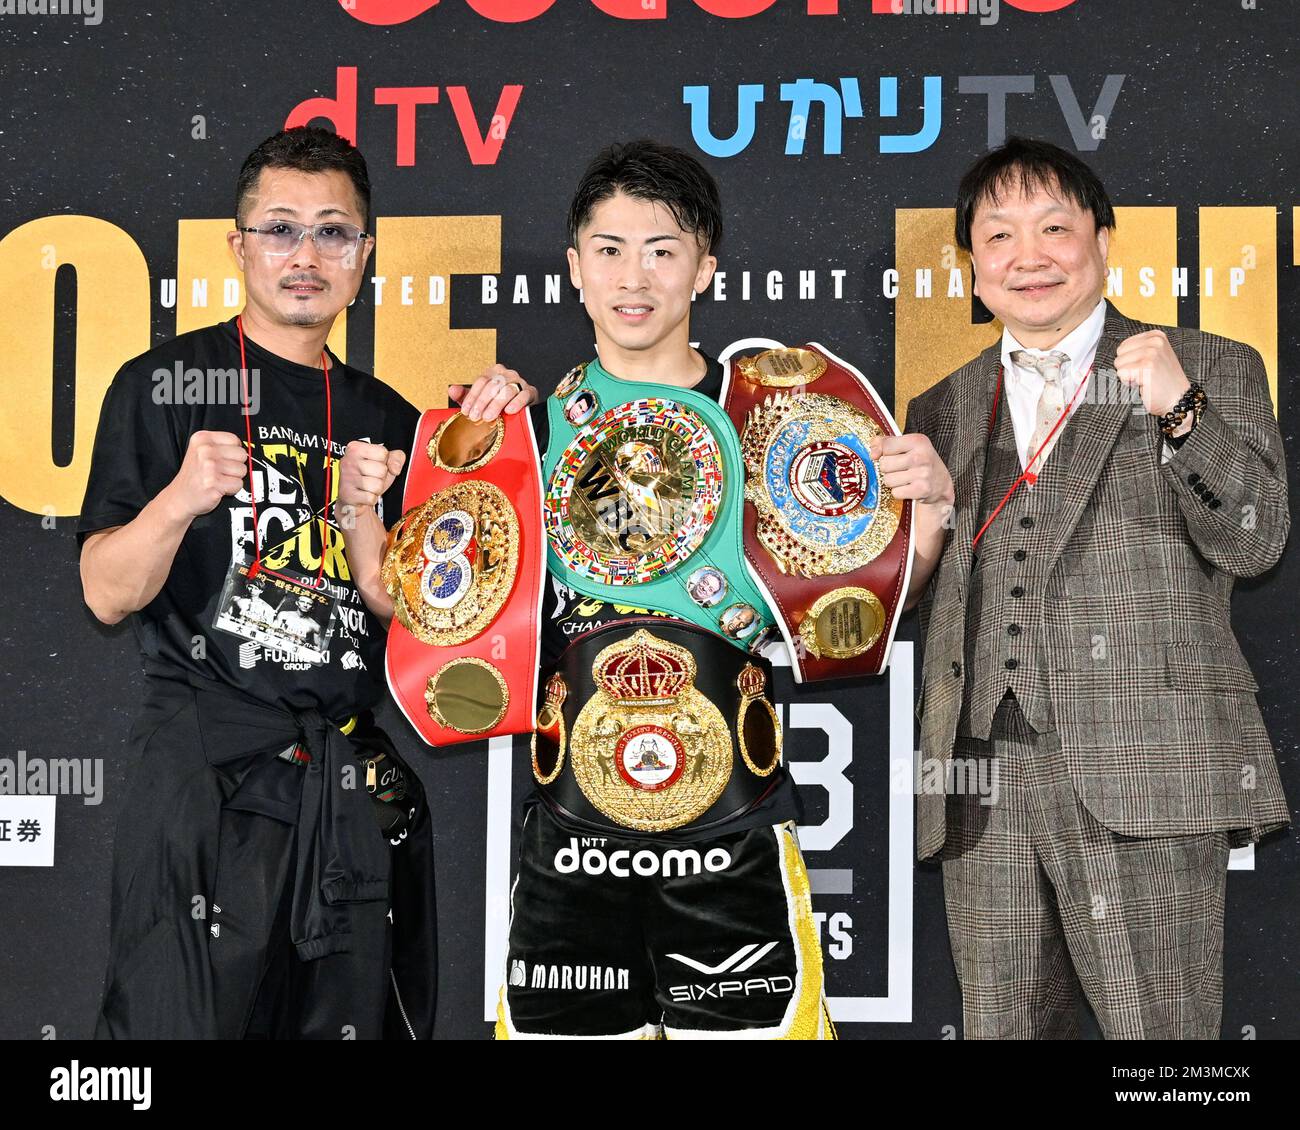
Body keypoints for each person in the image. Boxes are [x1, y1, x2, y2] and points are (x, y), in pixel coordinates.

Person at [881, 136, 1290, 1039]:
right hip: (979, 778)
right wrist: (936, 519)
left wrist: (1182, 414)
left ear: (1104, 241)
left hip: (1145, 772)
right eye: (999, 237)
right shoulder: (940, 408)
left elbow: (1257, 543)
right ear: (974, 272)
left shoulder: (1209, 366)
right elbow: (906, 605)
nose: (1029, 257)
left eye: (1055, 227)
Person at [79, 125, 470, 1039]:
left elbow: (405, 612)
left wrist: (374, 509)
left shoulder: (389, 421)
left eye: (334, 232)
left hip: (341, 786)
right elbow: (105, 591)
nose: (306, 255)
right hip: (205, 781)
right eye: (280, 229)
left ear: (365, 254)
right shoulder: (166, 382)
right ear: (238, 246)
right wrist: (180, 498)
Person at [509, 140, 833, 1038]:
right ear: (574, 269)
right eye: (608, 249)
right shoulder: (522, 439)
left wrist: (923, 525)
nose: (633, 275)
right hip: (572, 834)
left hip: (732, 829)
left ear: (706, 267)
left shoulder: (779, 429)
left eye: (662, 248)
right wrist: (360, 517)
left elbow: (858, 617)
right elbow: (432, 622)